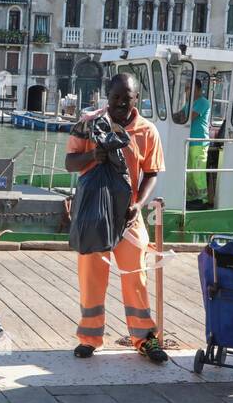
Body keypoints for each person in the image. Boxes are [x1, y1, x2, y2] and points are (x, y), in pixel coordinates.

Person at [65, 73, 169, 363]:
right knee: (91, 277)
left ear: (137, 98)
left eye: (128, 97)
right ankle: (89, 337)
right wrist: (92, 157)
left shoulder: (148, 131)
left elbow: (152, 173)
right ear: (106, 96)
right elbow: (70, 162)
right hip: (94, 213)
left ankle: (145, 339)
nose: (121, 103)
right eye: (116, 97)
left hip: (128, 215)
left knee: (137, 276)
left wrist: (138, 203)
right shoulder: (88, 123)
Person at [185, 80, 211, 206]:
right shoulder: (189, 103)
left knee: (198, 173)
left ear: (199, 89)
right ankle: (191, 198)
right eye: (186, 88)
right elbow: (180, 115)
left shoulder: (203, 102)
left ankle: (203, 200)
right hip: (190, 142)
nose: (187, 90)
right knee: (189, 173)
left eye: (190, 88)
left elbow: (189, 117)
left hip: (199, 142)